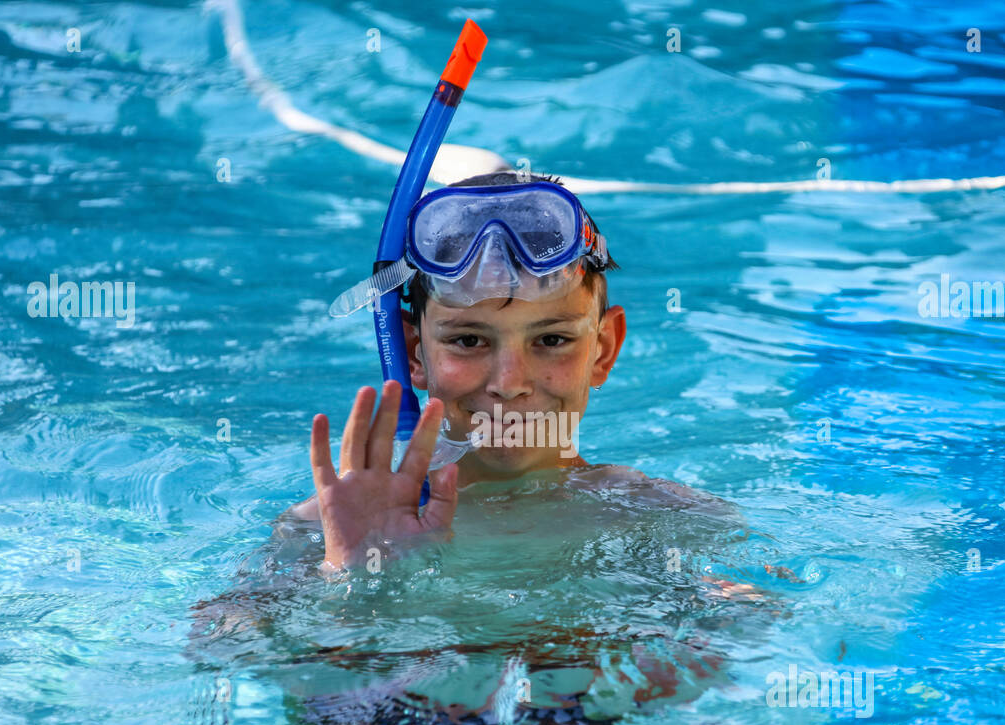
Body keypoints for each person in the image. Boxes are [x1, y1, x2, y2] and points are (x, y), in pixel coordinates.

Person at [281, 171, 742, 575]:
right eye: (468, 341)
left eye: (551, 340)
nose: (509, 384)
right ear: (413, 354)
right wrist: (353, 577)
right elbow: (239, 654)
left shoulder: (666, 521)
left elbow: (739, 643)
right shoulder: (322, 530)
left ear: (602, 350)